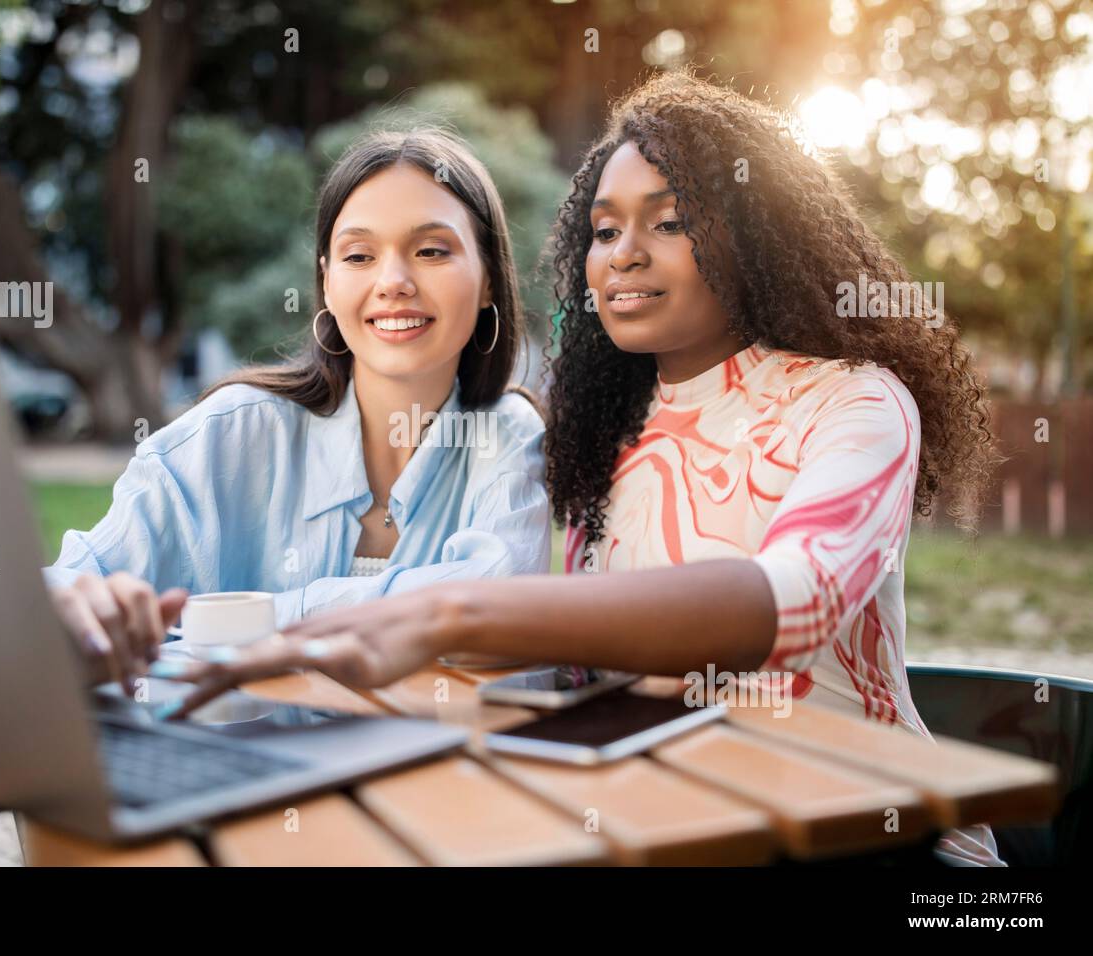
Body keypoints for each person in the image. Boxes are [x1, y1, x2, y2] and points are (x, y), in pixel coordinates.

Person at [166, 73, 1004, 866]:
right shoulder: (592, 433)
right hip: (672, 829)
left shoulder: (856, 404)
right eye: (605, 230)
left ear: (757, 236)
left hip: (876, 838)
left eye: (669, 222)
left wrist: (450, 612)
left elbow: (797, 597)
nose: (624, 255)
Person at [43, 128, 550, 694]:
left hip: (420, 775)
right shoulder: (228, 436)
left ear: (487, 282)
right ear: (327, 282)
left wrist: (249, 624)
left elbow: (499, 607)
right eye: (359, 255)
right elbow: (64, 588)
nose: (394, 283)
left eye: (431, 250)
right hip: (225, 771)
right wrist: (67, 602)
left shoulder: (504, 434)